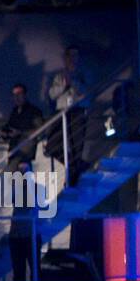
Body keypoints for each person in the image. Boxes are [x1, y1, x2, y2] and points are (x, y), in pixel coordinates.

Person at [46, 46, 89, 185]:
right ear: (65, 58)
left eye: (75, 56)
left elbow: (86, 93)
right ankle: (75, 167)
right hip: (62, 112)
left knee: (76, 146)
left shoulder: (83, 74)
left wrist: (74, 83)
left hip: (77, 111)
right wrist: (65, 85)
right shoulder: (59, 76)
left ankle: (72, 179)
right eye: (69, 56)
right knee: (52, 146)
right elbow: (52, 94)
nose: (72, 59)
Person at [1, 83, 44, 169]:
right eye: (14, 95)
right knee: (14, 179)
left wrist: (21, 133)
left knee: (19, 177)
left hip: (25, 152)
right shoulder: (14, 112)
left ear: (24, 95)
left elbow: (40, 131)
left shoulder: (33, 111)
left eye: (19, 94)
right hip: (14, 151)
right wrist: (4, 133)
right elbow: (9, 127)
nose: (16, 97)